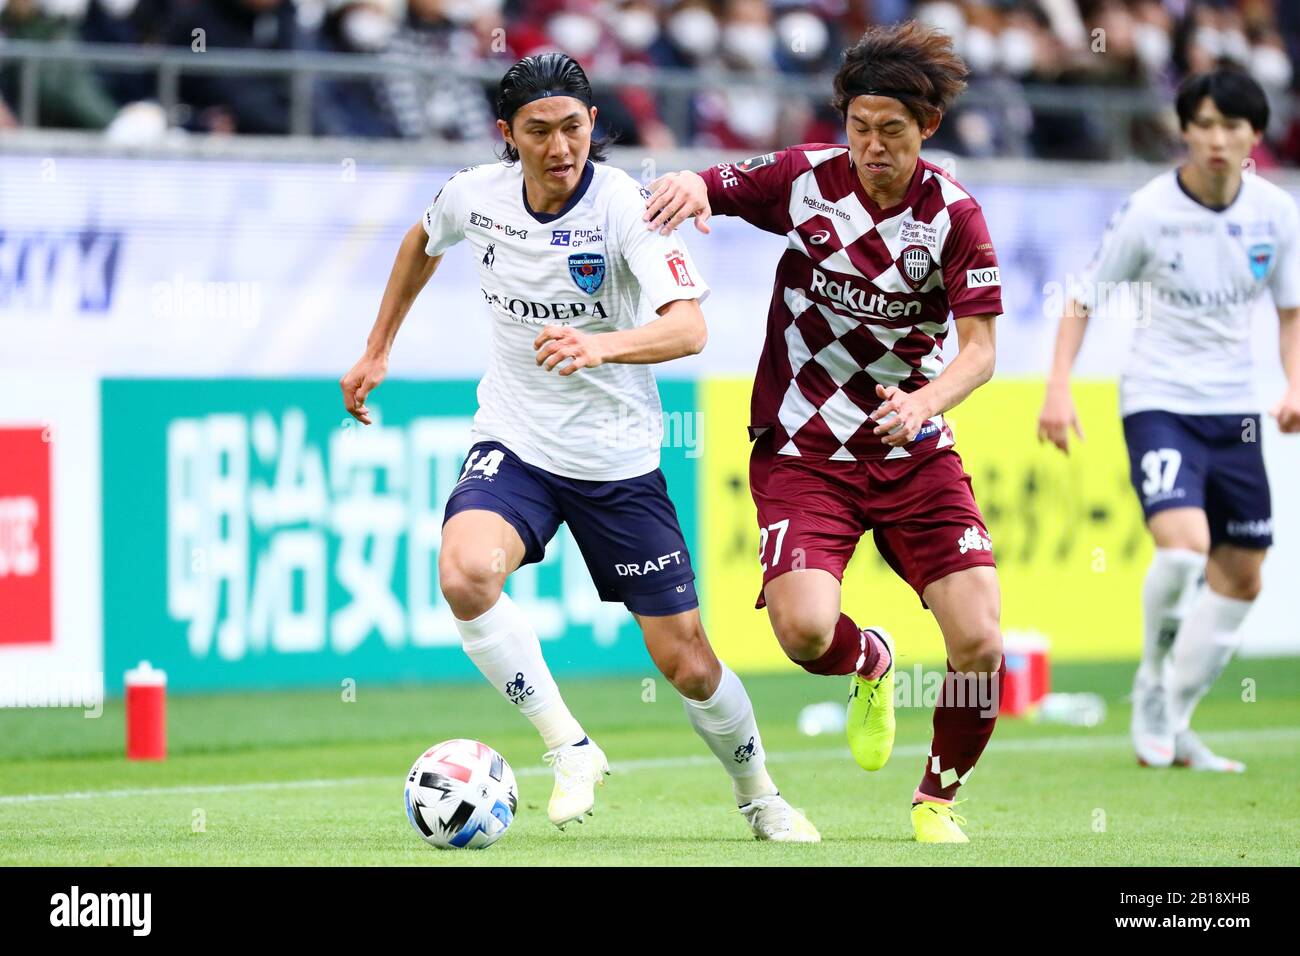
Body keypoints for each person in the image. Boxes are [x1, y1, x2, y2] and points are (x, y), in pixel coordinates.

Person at [341, 52, 819, 842]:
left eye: (574, 128)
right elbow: (422, 242)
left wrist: (601, 347)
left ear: (594, 125)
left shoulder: (627, 208)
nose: (560, 147)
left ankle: (760, 795)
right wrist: (377, 347)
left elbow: (690, 327)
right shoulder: (476, 196)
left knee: (688, 663)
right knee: (463, 572)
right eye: (539, 132)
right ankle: (569, 745)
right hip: (516, 442)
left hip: (616, 463)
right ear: (508, 135)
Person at [644, 21, 1006, 843]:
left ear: (929, 129)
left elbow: (980, 355)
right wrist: (691, 188)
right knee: (806, 634)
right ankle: (869, 661)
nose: (873, 147)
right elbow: (712, 184)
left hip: (911, 452)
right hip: (803, 452)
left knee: (980, 640)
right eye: (859, 127)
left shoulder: (954, 216)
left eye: (893, 132)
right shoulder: (804, 179)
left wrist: (924, 405)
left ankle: (936, 800)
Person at [1037, 67, 1300, 773]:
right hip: (1159, 402)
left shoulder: (1276, 213)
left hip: (1235, 411)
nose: (1218, 139)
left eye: (1233, 126)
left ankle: (1176, 715)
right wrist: (1058, 388)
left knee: (1243, 576)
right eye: (1205, 124)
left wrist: (1294, 384)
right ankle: (1152, 687)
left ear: (1255, 134)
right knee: (1185, 549)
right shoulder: (1150, 211)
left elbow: (1290, 313)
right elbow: (1082, 298)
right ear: (1184, 129)